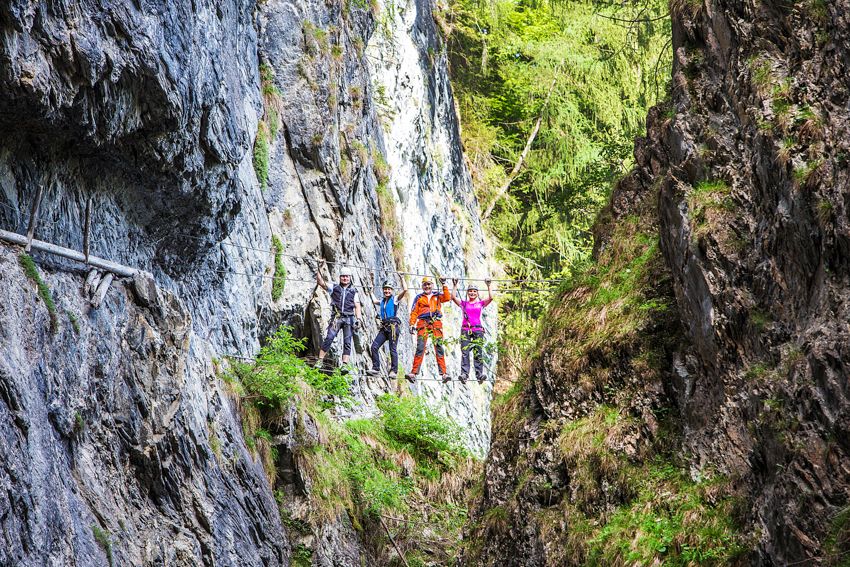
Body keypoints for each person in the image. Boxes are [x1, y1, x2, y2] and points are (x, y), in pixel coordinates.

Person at [315, 262, 362, 368]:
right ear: (340, 277)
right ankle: (320, 360)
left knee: (347, 341)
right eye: (343, 276)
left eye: (347, 276)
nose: (345, 278)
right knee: (329, 337)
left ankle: (344, 364)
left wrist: (358, 319)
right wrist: (318, 268)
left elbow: (357, 306)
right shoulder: (334, 287)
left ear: (350, 278)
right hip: (337, 317)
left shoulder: (354, 291)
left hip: (349, 318)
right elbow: (321, 282)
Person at [406, 276, 452, 383]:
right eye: (425, 284)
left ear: (432, 285)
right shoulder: (419, 298)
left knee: (439, 347)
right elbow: (414, 312)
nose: (427, 286)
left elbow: (447, 298)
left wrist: (444, 284)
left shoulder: (437, 295)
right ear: (422, 286)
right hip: (423, 323)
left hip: (436, 323)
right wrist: (411, 324)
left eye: (429, 284)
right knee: (420, 347)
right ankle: (413, 373)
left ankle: (444, 373)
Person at [451, 278, 493, 384]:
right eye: (470, 291)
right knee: (465, 352)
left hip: (478, 329)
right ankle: (464, 374)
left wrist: (488, 285)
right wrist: (455, 285)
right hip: (466, 329)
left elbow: (491, 298)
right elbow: (453, 297)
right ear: (467, 293)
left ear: (477, 293)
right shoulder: (464, 304)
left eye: (474, 291)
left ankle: (479, 375)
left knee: (477, 352)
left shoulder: (481, 303)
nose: (472, 293)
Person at [366, 278, 408, 377]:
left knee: (392, 349)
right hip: (384, 328)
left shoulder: (395, 299)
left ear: (392, 290)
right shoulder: (382, 301)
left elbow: (405, 290)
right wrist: (371, 292)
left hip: (393, 327)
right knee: (374, 347)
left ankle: (394, 371)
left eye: (389, 289)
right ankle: (376, 369)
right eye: (385, 289)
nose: (387, 291)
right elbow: (375, 300)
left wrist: (401, 278)